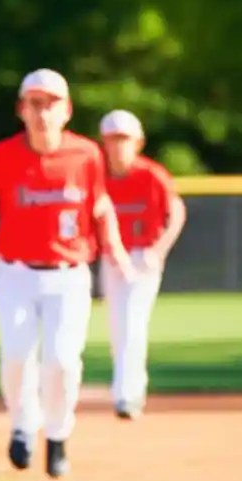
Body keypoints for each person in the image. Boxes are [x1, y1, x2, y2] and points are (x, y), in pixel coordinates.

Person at [0, 69, 135, 478]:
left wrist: (116, 250)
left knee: (62, 359)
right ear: (22, 110)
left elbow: (100, 207)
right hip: (15, 273)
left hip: (70, 273)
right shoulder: (0, 157)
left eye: (51, 103)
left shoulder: (87, 155)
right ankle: (22, 426)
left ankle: (57, 434)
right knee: (17, 356)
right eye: (34, 103)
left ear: (67, 110)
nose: (43, 112)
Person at [98, 110, 186, 419]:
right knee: (117, 327)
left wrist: (159, 250)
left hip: (143, 258)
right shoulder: (98, 176)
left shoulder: (152, 175)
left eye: (124, 138)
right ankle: (132, 386)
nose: (118, 145)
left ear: (138, 142)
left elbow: (176, 213)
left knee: (132, 323)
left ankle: (127, 395)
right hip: (112, 257)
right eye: (112, 138)